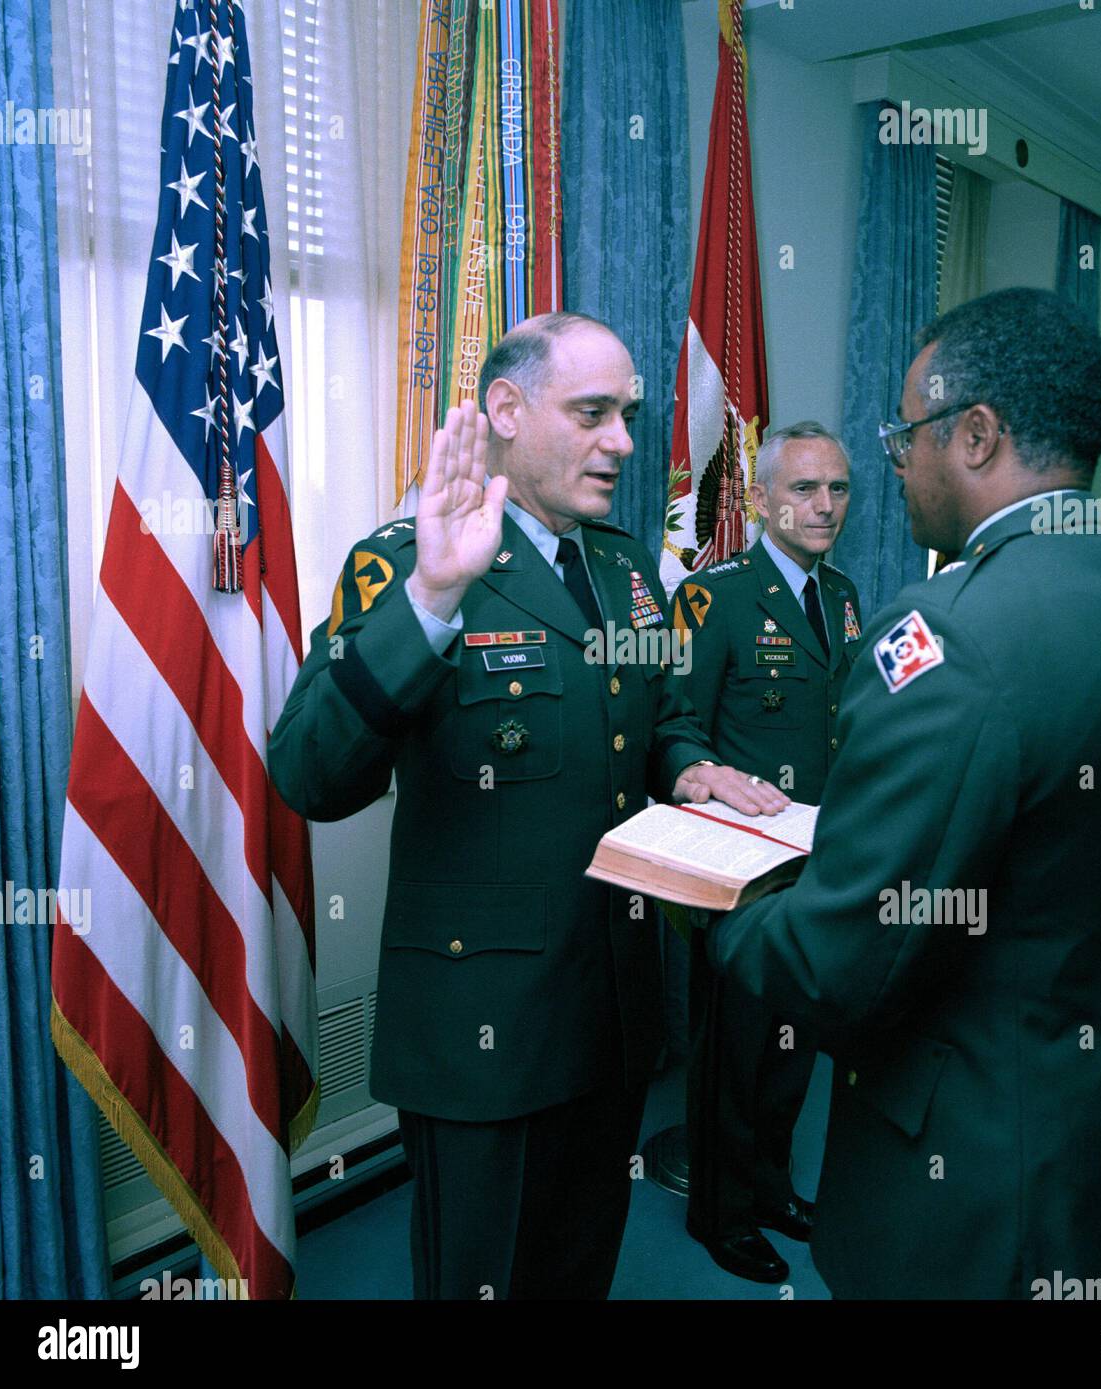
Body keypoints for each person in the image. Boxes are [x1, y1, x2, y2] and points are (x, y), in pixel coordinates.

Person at [703, 287, 1101, 1299]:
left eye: (906, 434)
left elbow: (841, 965)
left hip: (970, 1181)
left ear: (975, 435)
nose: (895, 463)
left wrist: (715, 909)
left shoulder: (947, 634)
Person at [270, 312, 787, 1300]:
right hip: (484, 1027)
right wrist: (430, 598)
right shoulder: (405, 562)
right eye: (592, 413)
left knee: (577, 1268)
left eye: (628, 416)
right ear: (505, 410)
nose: (625, 443)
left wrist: (690, 769)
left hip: (613, 1004)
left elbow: (660, 711)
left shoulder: (626, 568)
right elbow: (309, 775)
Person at [672, 422, 861, 1282]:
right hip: (739, 874)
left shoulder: (846, 595)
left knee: (795, 1044)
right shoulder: (717, 597)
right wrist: (709, 777)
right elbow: (677, 727)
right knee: (735, 1053)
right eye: (803, 489)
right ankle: (721, 1212)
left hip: (817, 867)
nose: (824, 506)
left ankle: (773, 1185)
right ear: (759, 500)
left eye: (838, 489)